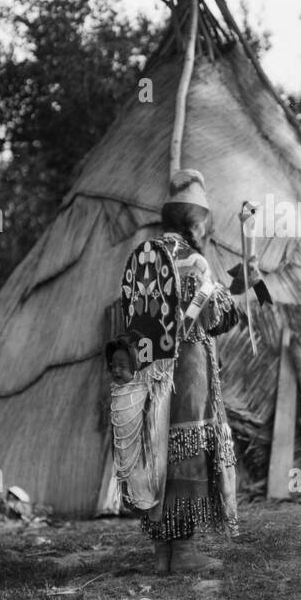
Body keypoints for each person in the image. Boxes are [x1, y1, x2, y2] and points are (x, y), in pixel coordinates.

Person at [107, 169, 257, 573]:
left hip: (149, 374)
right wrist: (239, 297)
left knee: (156, 451)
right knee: (186, 451)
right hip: (188, 374)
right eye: (204, 221)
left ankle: (161, 555)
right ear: (196, 221)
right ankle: (186, 552)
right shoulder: (195, 262)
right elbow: (216, 316)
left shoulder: (143, 257)